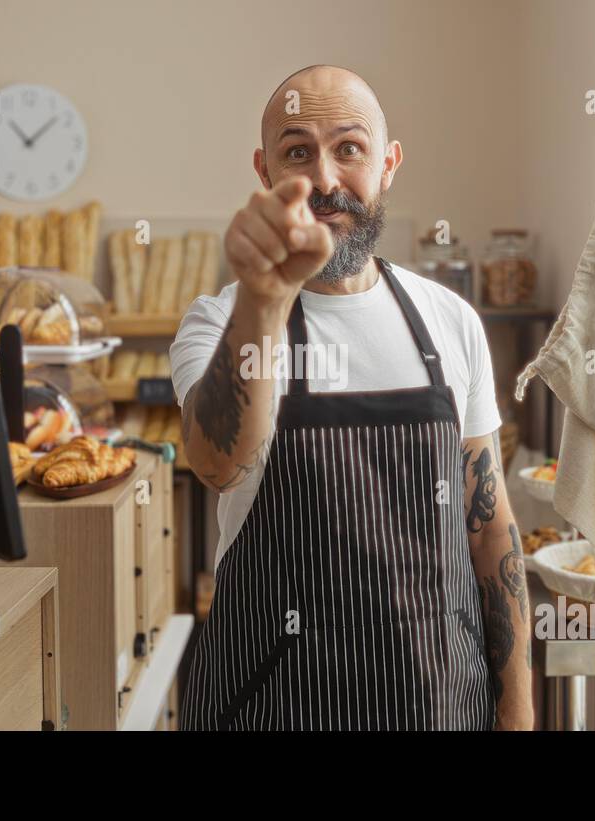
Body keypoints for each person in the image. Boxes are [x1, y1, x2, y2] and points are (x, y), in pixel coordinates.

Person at [170, 65, 532, 730]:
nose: (327, 180)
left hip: (440, 705)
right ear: (264, 169)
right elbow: (218, 462)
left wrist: (518, 712)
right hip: (270, 707)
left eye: (349, 148)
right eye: (298, 151)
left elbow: (490, 530)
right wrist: (265, 295)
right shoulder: (218, 320)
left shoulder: (450, 321)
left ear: (388, 163)